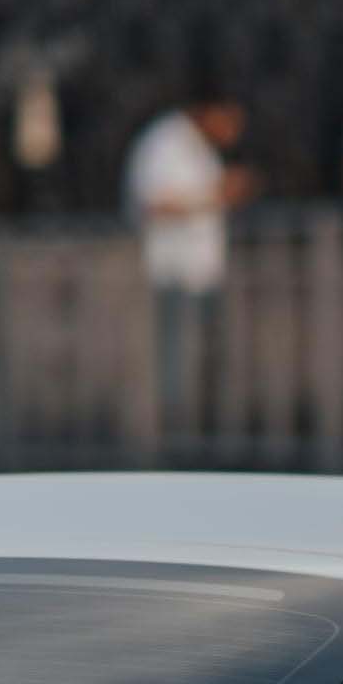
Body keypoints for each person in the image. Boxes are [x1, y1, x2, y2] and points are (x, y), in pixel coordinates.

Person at [124, 91, 248, 454]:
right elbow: (156, 202)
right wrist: (218, 195)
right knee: (176, 362)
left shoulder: (196, 147)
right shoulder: (165, 142)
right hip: (173, 273)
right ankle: (176, 442)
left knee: (201, 362)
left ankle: (196, 438)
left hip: (200, 274)